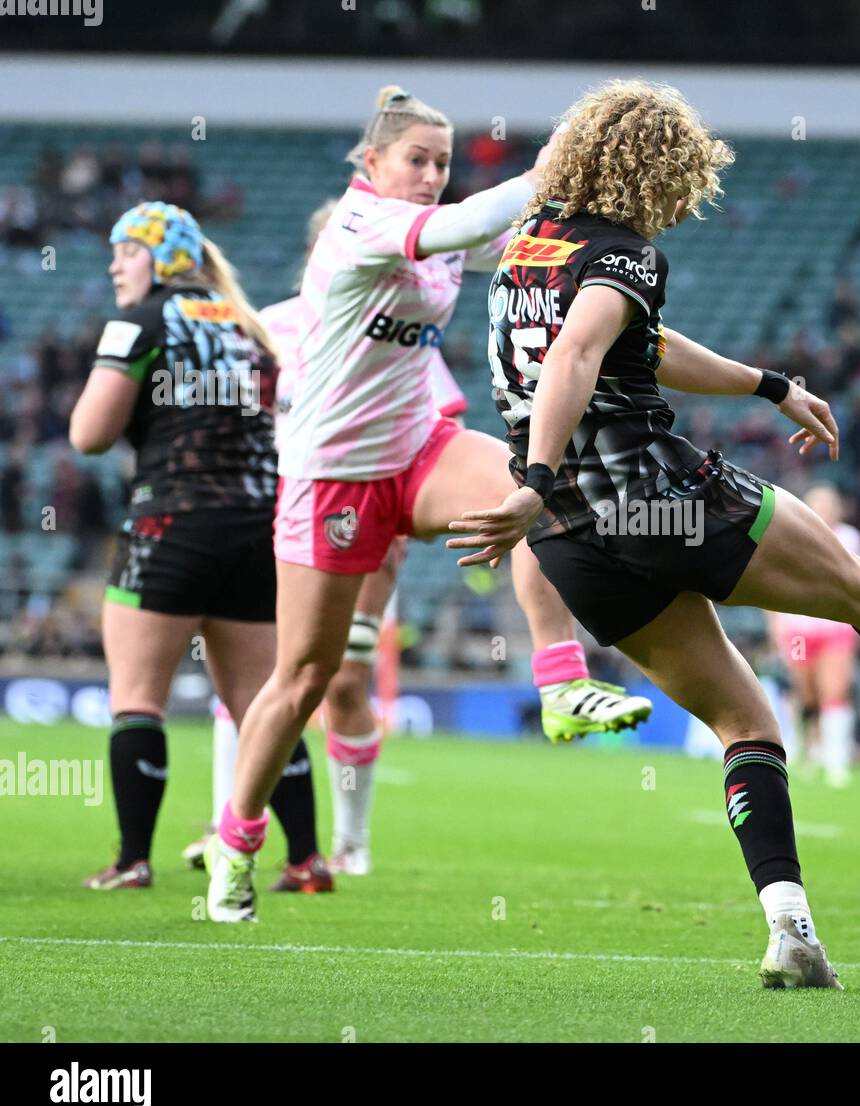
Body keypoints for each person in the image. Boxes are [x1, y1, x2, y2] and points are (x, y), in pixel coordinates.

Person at [448, 80, 860, 989]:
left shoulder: (527, 247)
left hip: (572, 539)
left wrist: (766, 386)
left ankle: (791, 931)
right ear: (662, 171)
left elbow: (637, 345)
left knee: (748, 724)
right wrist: (530, 477)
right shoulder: (626, 252)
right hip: (656, 496)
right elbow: (580, 355)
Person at [204, 86, 651, 921]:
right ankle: (237, 841)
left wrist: (598, 209)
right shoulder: (361, 223)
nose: (431, 175)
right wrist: (560, 153)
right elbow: (466, 223)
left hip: (418, 448)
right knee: (302, 679)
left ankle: (560, 684)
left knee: (536, 492)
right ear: (371, 163)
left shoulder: (438, 233)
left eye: (442, 163)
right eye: (417, 159)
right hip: (334, 474)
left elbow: (512, 242)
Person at [70, 202, 328, 890]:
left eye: (125, 250)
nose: (114, 263)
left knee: (136, 698)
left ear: (160, 258)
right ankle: (306, 858)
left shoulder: (140, 322)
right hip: (257, 529)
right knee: (260, 704)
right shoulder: (249, 327)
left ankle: (132, 861)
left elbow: (88, 435)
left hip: (171, 525)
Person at [768, 483, 860, 788]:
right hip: (797, 630)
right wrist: (775, 627)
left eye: (829, 504)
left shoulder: (849, 538)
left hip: (835, 628)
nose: (824, 511)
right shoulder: (789, 533)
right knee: (805, 695)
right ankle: (807, 750)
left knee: (834, 692)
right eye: (817, 504)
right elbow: (769, 582)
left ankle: (837, 762)